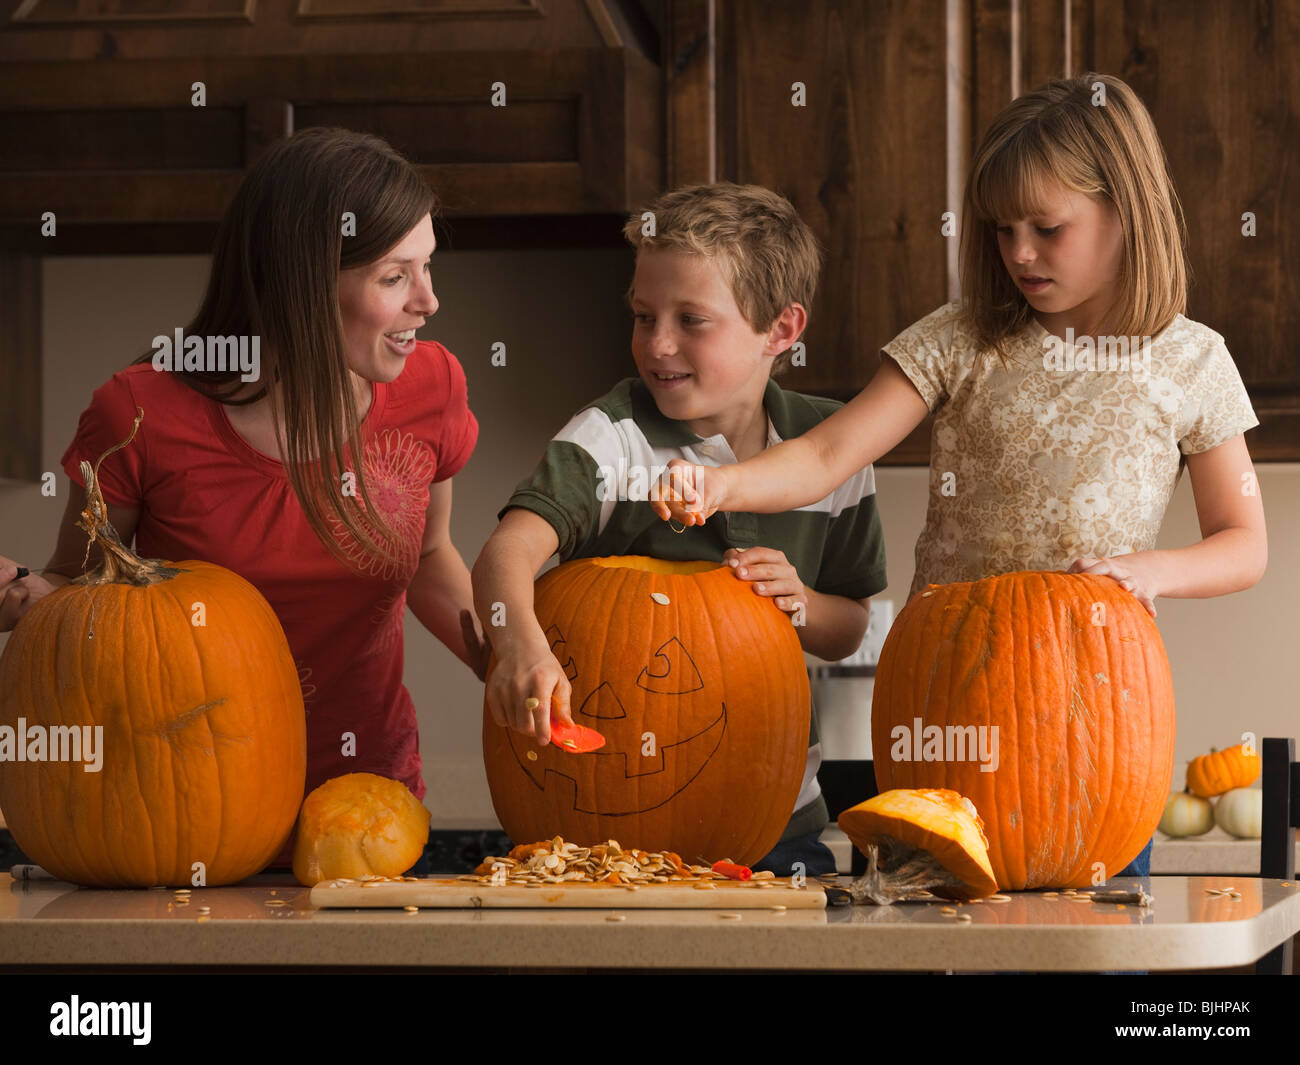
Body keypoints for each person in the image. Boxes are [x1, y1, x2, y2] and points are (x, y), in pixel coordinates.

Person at [648, 73, 1268, 881]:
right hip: (941, 712)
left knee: (1091, 959)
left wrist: (1149, 571)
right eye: (1001, 229)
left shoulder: (1191, 359)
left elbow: (1243, 542)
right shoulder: (960, 337)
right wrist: (720, 485)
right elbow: (830, 453)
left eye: (1047, 227)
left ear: (1126, 210)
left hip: (1098, 726)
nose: (1018, 252)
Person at [0, 127, 488, 869]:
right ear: (301, 280)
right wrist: (16, 594)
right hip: (177, 808)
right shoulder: (139, 416)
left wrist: (511, 657)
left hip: (363, 810)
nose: (429, 300)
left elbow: (427, 559)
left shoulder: (433, 386)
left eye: (426, 267)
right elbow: (80, 589)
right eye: (396, 277)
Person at [472, 183, 887, 876]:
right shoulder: (615, 438)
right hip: (601, 834)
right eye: (642, 315)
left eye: (691, 319)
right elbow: (507, 551)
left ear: (781, 330)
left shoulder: (829, 447)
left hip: (777, 824)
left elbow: (848, 626)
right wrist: (516, 645)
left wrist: (802, 604)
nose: (657, 343)